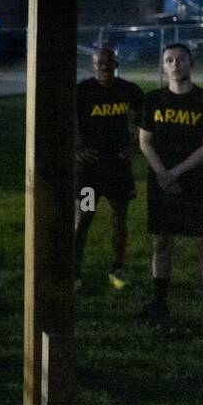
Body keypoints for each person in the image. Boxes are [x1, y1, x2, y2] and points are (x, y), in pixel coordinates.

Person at [137, 43, 203, 330]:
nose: (175, 64)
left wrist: (177, 171)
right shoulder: (153, 101)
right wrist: (163, 173)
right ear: (163, 66)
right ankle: (159, 304)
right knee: (161, 243)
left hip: (195, 184)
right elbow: (145, 141)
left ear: (191, 63)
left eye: (181, 59)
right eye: (169, 60)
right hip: (162, 184)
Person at [73, 47, 144, 292]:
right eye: (99, 63)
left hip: (117, 168)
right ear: (93, 65)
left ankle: (117, 269)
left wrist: (134, 144)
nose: (104, 67)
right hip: (90, 170)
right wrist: (76, 149)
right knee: (83, 218)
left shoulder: (128, 90)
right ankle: (74, 273)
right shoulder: (82, 91)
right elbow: (61, 119)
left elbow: (146, 118)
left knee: (119, 219)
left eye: (109, 63)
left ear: (116, 63)